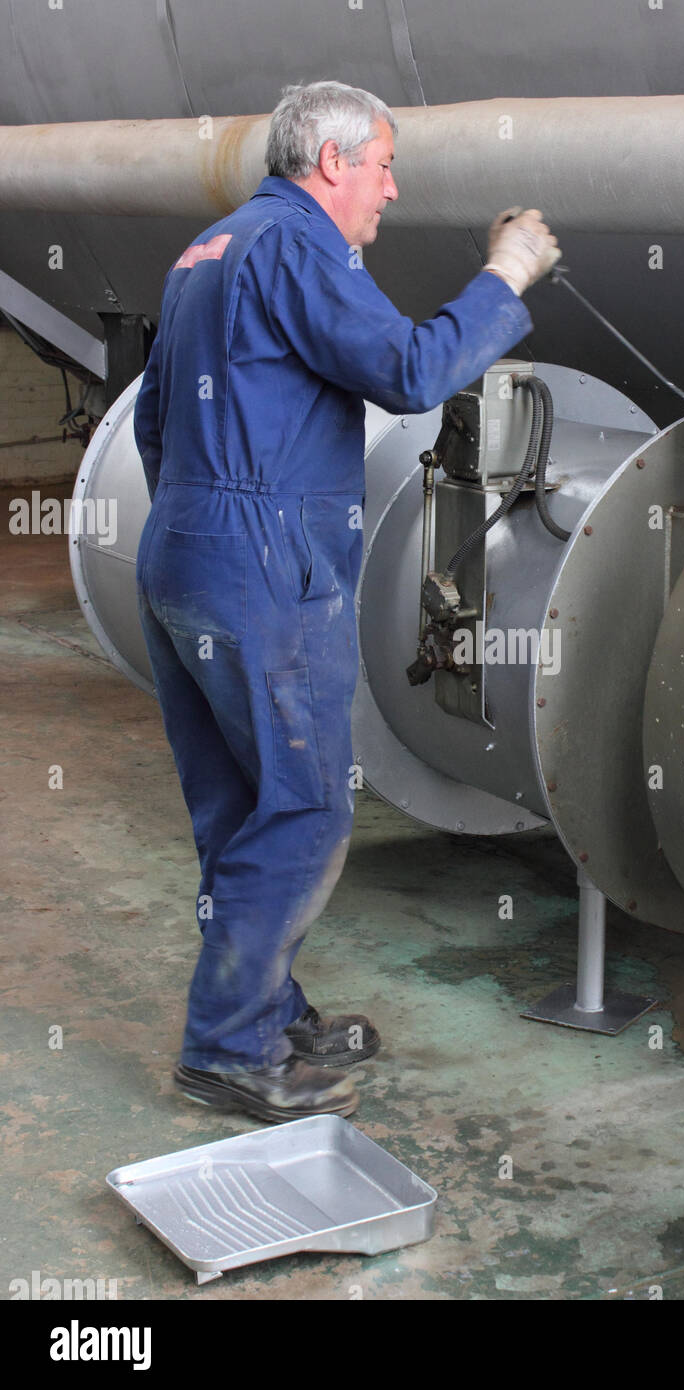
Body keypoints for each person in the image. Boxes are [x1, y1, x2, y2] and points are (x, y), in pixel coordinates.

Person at [132, 80, 560, 1123]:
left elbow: (152, 422)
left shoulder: (212, 250)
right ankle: (228, 1047)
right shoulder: (299, 248)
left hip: (183, 546)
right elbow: (411, 371)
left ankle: (267, 1010)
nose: (391, 188)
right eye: (382, 165)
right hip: (260, 561)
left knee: (239, 805)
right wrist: (508, 274)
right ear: (331, 164)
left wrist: (206, 525)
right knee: (310, 808)